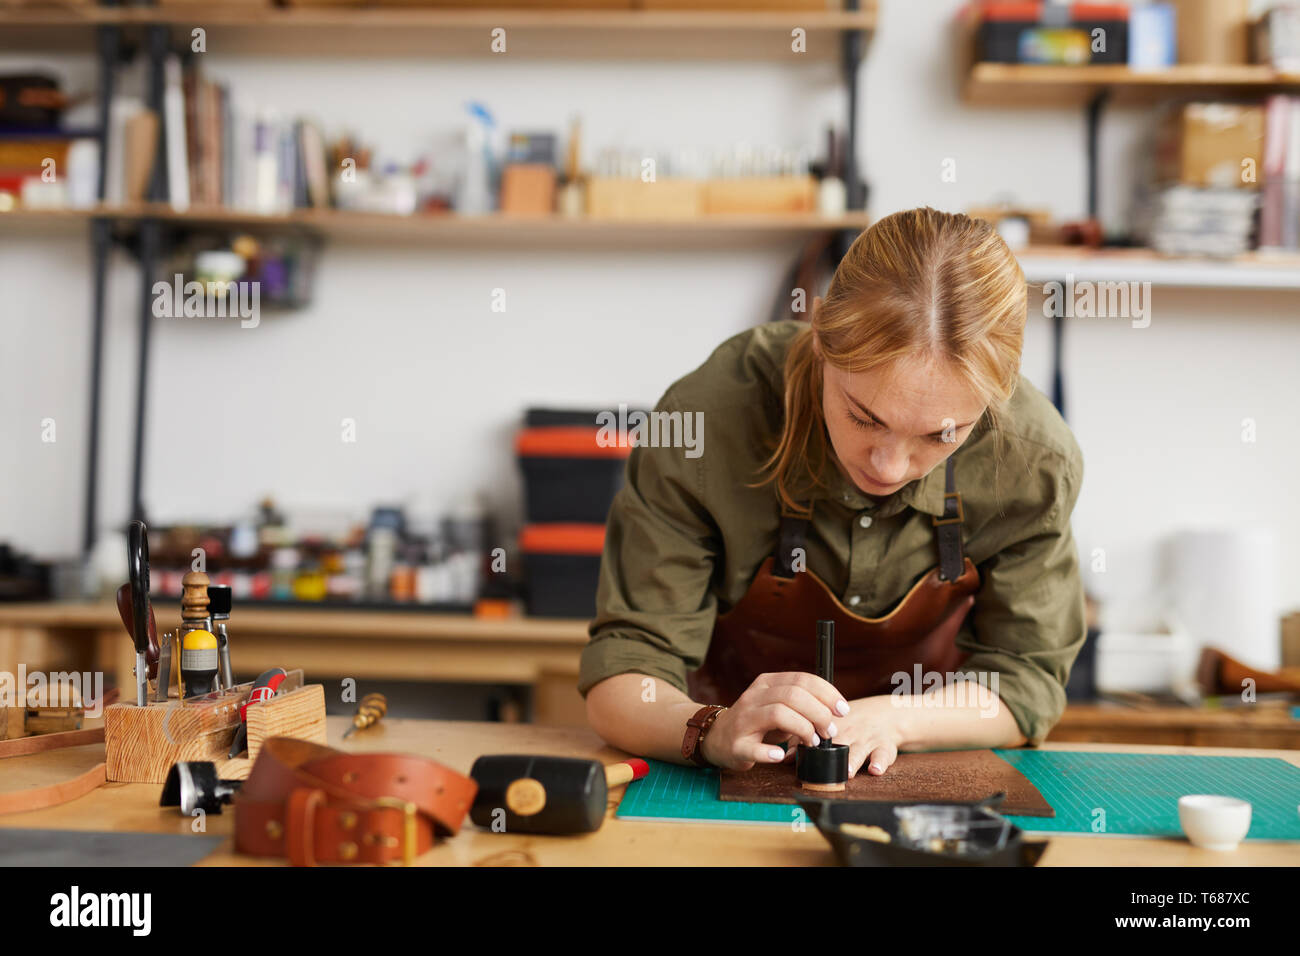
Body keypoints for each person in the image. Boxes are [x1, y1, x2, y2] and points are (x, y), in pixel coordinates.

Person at [580, 207, 1086, 778]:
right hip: (725, 769)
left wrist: (896, 719)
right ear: (820, 334)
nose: (890, 466)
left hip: (923, 772)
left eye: (941, 434)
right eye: (864, 417)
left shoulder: (1032, 459)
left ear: (999, 394)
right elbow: (625, 674)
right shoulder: (708, 422)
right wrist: (713, 729)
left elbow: (1028, 682)